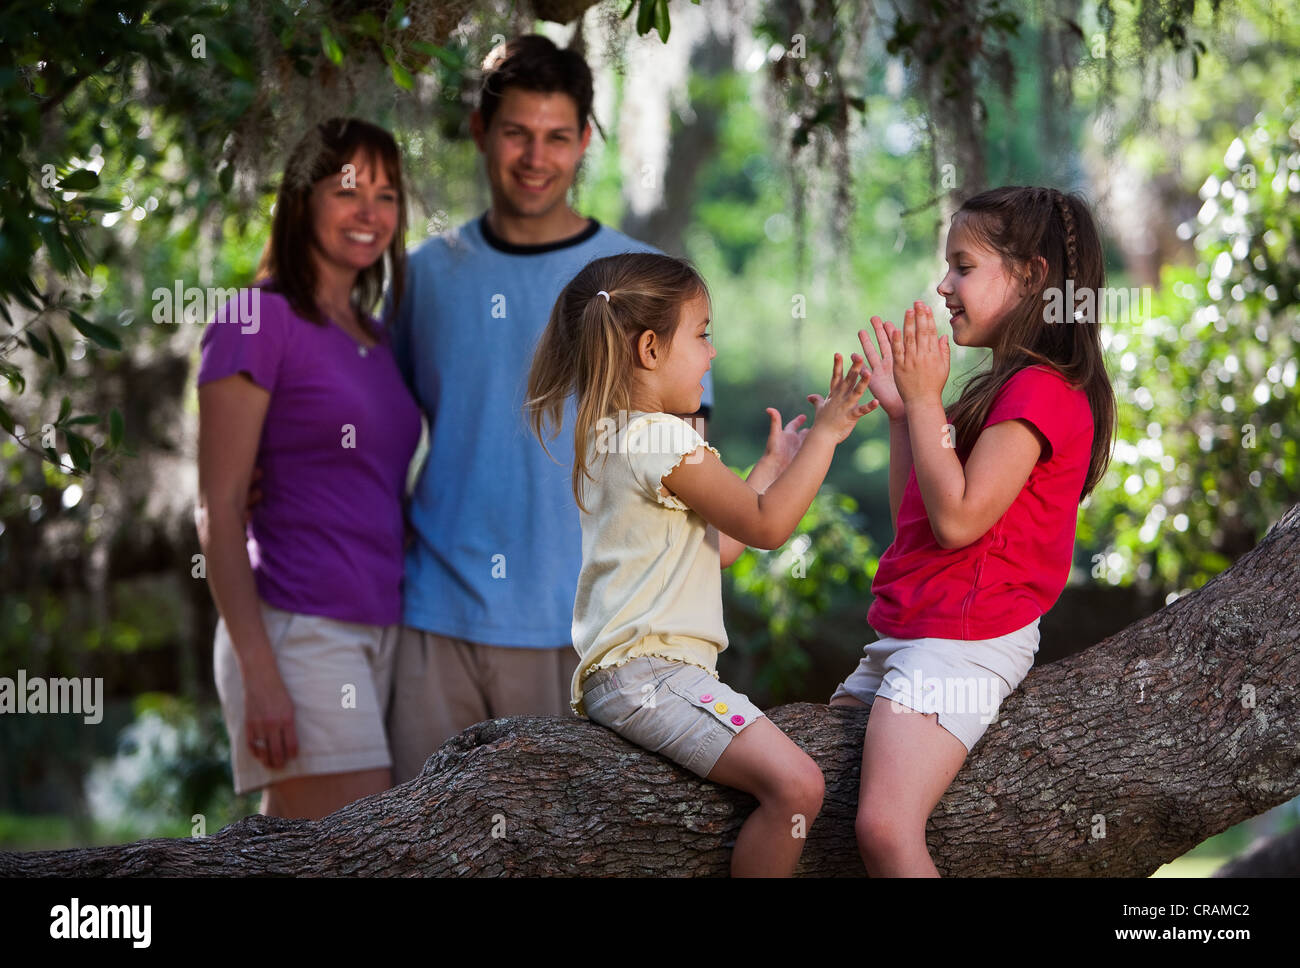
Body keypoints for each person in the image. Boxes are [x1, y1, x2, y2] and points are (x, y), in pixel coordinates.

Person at [384, 34, 714, 783]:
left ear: (585, 142)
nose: (536, 157)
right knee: (407, 848)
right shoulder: (420, 277)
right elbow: (370, 430)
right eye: (516, 134)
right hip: (435, 621)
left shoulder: (641, 285)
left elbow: (694, 472)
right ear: (480, 132)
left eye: (557, 137)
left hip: (589, 633)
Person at [526, 251, 879, 876]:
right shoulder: (662, 436)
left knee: (791, 783)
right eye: (703, 332)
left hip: (634, 678)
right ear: (650, 349)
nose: (712, 352)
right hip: (652, 678)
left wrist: (772, 467)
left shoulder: (613, 435)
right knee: (798, 786)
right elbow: (767, 527)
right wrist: (825, 437)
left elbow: (725, 546)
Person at [829, 186, 1117, 875]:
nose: (943, 284)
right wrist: (907, 416)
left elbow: (959, 522)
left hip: (963, 643)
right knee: (832, 819)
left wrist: (929, 399)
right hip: (919, 635)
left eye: (962, 266)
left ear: (1031, 277)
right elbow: (922, 517)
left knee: (885, 828)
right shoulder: (1001, 387)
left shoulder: (1043, 391)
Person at [196, 118, 422, 819]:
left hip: (384, 627)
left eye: (387, 196)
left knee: (321, 854)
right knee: (350, 855)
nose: (370, 213)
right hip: (298, 629)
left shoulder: (378, 337)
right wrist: (261, 674)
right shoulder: (255, 320)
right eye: (349, 189)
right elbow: (219, 507)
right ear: (302, 198)